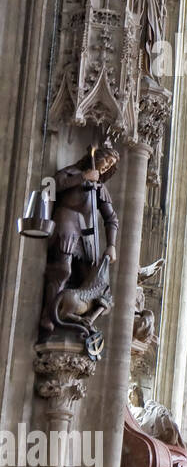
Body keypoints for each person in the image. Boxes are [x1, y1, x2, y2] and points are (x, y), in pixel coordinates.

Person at [39, 143, 120, 339]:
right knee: (62, 270)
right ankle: (48, 316)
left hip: (88, 234)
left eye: (111, 165)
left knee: (92, 282)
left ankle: (77, 320)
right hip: (67, 222)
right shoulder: (72, 172)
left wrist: (111, 245)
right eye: (106, 161)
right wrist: (83, 177)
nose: (107, 166)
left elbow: (111, 219)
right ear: (96, 156)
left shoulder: (99, 188)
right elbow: (52, 185)